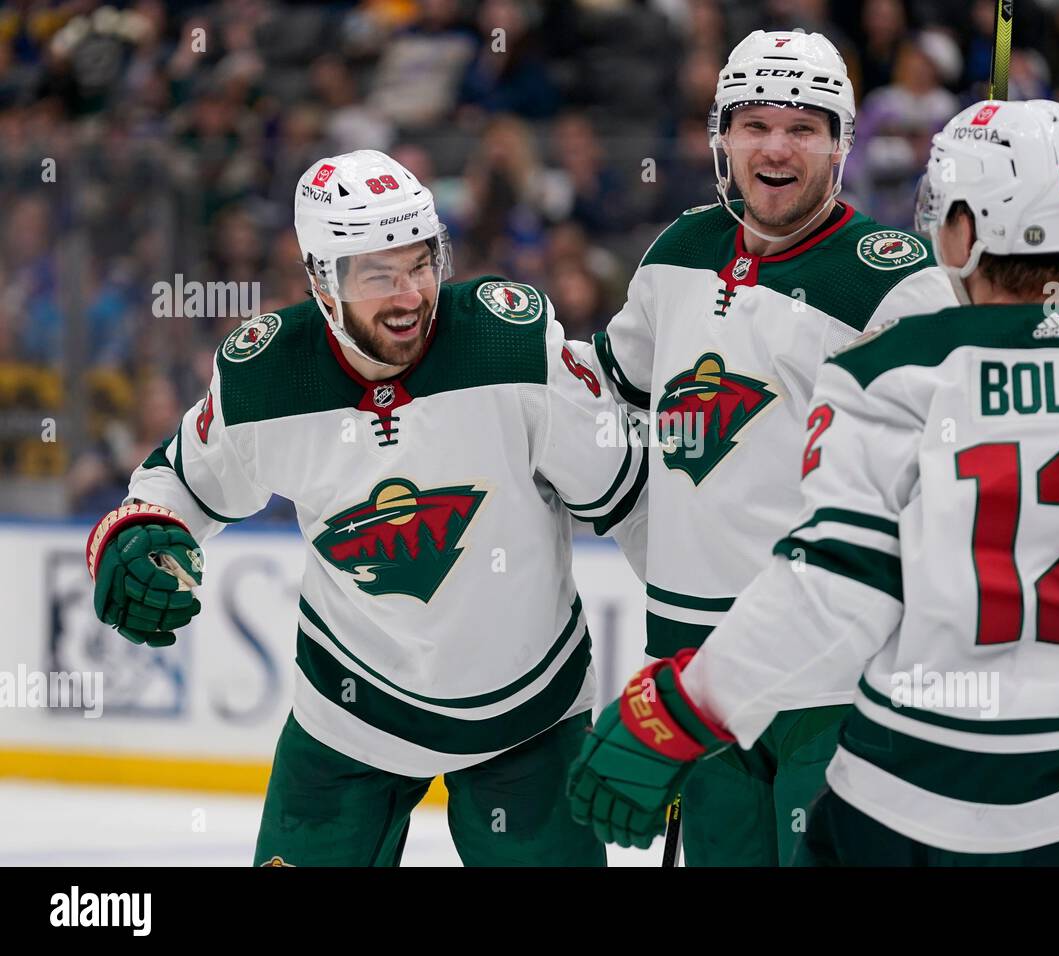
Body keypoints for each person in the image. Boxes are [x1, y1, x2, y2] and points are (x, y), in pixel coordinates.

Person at [569, 99, 1059, 865]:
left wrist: (681, 706)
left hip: (926, 802)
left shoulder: (893, 371)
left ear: (962, 231)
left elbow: (832, 594)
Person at [85, 149, 646, 867]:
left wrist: (692, 657)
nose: (410, 294)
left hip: (528, 716)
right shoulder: (268, 379)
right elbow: (179, 483)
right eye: (377, 274)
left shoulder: (509, 346)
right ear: (321, 282)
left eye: (420, 263)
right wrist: (140, 533)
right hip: (347, 721)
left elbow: (633, 493)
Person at [585, 29, 956, 865]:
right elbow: (605, 394)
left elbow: (958, 474)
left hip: (836, 677)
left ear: (840, 144)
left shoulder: (896, 283)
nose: (777, 147)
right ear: (722, 137)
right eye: (755, 124)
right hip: (697, 676)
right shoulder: (678, 253)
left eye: (803, 127)